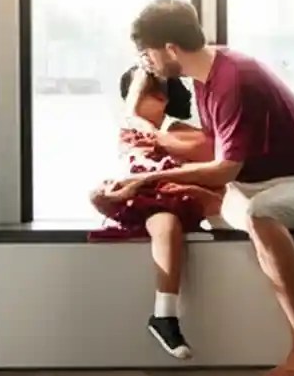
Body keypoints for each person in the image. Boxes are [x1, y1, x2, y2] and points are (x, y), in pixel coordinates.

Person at [104, 0, 294, 376]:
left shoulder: (234, 79)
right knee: (196, 200)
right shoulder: (208, 73)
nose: (146, 63)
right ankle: (208, 221)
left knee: (259, 213)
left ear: (171, 48)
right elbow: (217, 151)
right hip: (261, 184)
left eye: (148, 53)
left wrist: (146, 180)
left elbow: (226, 168)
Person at [88, 65, 222, 359]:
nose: (158, 97)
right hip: (144, 197)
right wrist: (143, 75)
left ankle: (164, 315)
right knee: (118, 200)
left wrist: (166, 143)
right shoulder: (130, 132)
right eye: (149, 92)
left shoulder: (177, 131)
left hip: (178, 195)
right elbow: (131, 114)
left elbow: (212, 151)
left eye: (161, 91)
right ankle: (164, 315)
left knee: (173, 218)